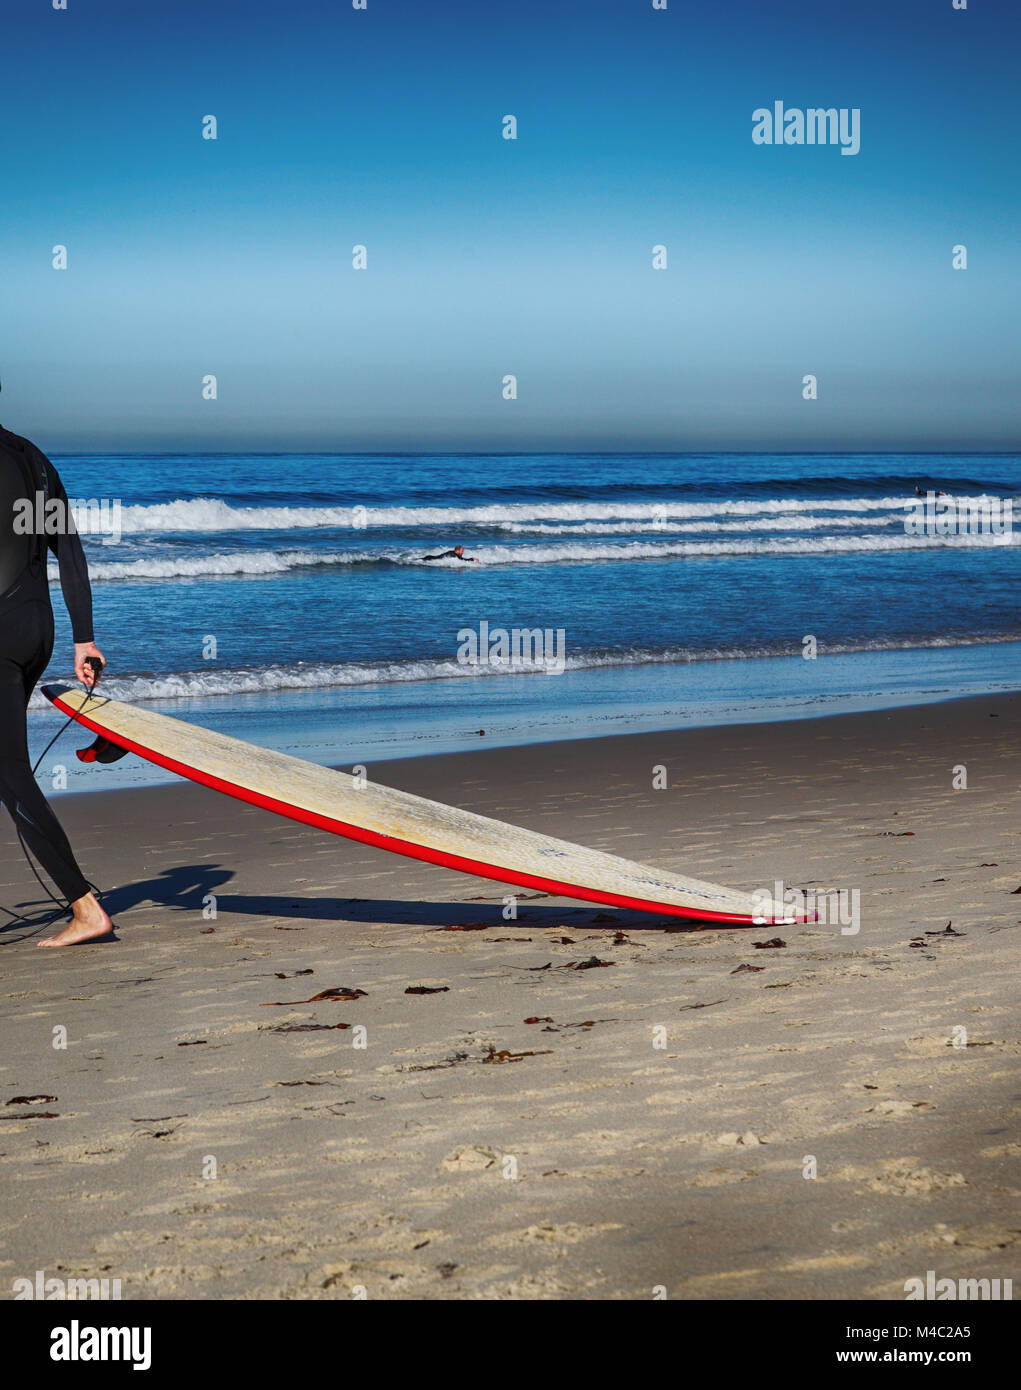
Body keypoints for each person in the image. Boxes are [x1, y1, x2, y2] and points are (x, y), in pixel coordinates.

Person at [0, 419, 112, 946]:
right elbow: (68, 549)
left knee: (11, 772)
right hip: (35, 632)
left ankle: (86, 907)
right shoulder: (35, 459)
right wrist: (83, 638)